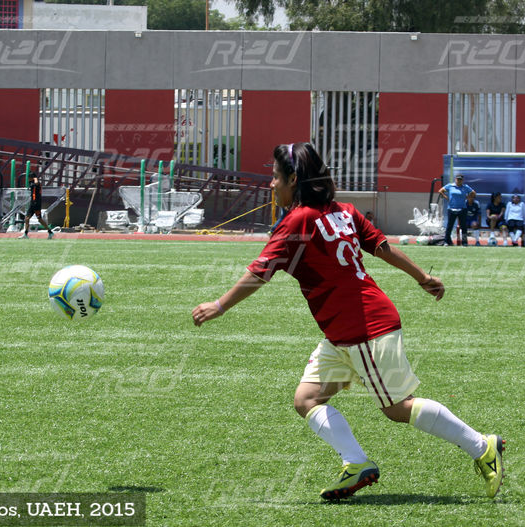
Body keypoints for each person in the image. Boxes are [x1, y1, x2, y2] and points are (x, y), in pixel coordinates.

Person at [191, 142, 504, 501]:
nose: (272, 184)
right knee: (307, 399)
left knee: (397, 408)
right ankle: (356, 463)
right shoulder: (344, 211)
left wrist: (220, 305)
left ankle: (482, 446)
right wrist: (421, 277)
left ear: (294, 179)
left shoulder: (299, 220)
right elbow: (382, 246)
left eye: (276, 177)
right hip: (344, 331)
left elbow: (261, 272)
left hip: (364, 329)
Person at [438, 173, 475, 246]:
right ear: (455, 179)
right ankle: (447, 241)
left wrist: (468, 198)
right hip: (451, 208)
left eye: (460, 180)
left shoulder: (465, 187)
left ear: (462, 180)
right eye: (458, 179)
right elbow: (440, 190)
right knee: (449, 226)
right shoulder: (450, 186)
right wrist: (446, 197)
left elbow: (473, 193)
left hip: (462, 209)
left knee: (463, 227)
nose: (459, 181)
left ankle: (464, 242)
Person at [19, 173, 50, 239]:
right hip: (32, 203)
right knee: (27, 219)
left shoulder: (37, 183)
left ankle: (50, 232)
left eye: (29, 177)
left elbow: (37, 183)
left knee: (40, 219)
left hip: (36, 204)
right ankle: (25, 234)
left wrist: (35, 178)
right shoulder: (31, 183)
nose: (28, 179)